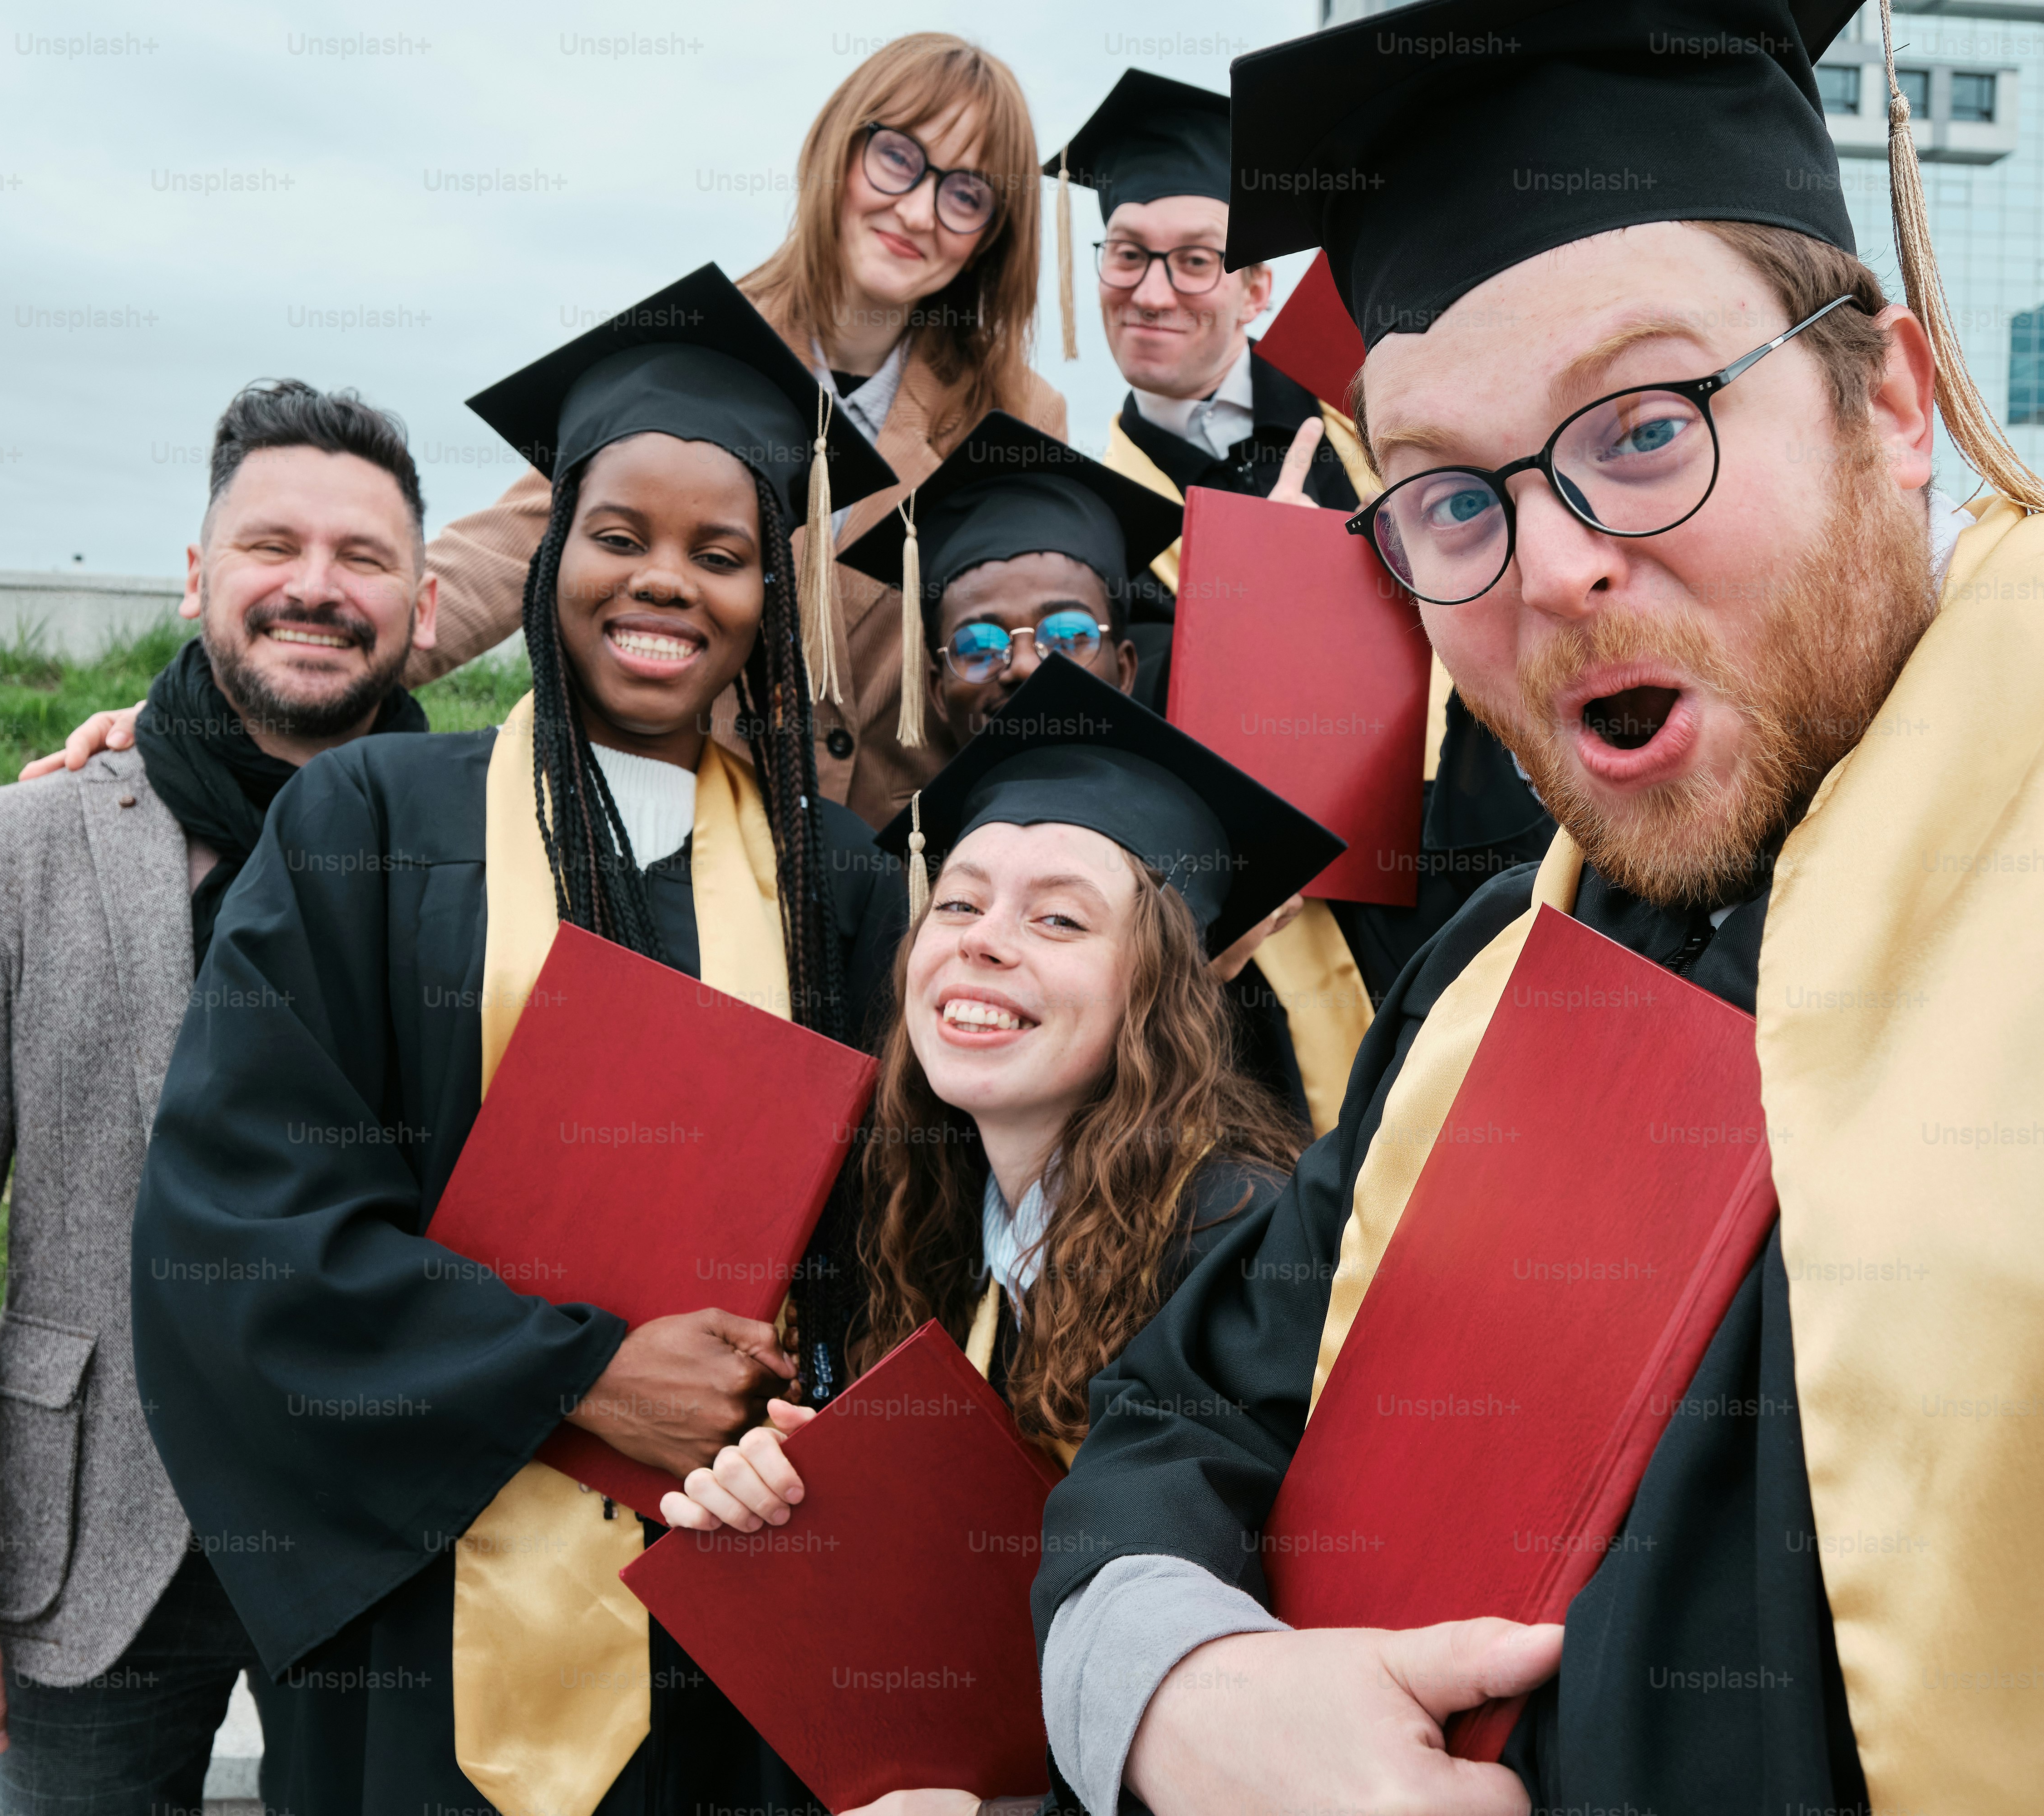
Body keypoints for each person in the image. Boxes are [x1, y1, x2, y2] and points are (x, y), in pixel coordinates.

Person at [1032, 2, 2044, 1814]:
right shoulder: (1490, 991)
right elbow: (1176, 1430)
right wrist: (1182, 1697)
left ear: (1892, 401)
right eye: (1450, 497)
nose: (1563, 563)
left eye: (1648, 425)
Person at [127, 267, 910, 1816]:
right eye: (618, 537)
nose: (665, 584)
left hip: (738, 1600)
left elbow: (904, 1237)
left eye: (723, 552)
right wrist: (574, 1377)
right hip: (429, 1613)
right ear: (553, 557)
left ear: (772, 597)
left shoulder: (841, 885)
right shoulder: (368, 828)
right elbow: (239, 1229)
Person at [0, 380, 437, 1814]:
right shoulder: (2, 855)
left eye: (363, 558)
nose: (314, 586)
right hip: (89, 1543)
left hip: (389, 1533)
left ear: (420, 601)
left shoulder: (485, 848)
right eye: (270, 545)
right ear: (197, 575)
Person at [29, 34, 1066, 824]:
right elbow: (502, 553)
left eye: (964, 191)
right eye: (898, 159)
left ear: (993, 232)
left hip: (901, 859)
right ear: (839, 156)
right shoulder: (688, 348)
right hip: (686, 834)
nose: (920, 208)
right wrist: (209, 702)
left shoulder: (1019, 416)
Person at [657, 656, 1337, 1816]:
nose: (980, 939)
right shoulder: (917, 1229)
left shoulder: (1247, 1254)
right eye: (958, 901)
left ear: (1158, 988)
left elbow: (1262, 1683)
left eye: (1059, 916)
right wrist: (806, 1522)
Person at [1044, 69, 1552, 1136]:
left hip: (1460, 860)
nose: (1154, 289)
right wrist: (1265, 596)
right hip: (1260, 943)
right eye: (1128, 254)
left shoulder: (1377, 423)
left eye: (1196, 259)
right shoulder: (1088, 521)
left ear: (1253, 288)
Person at [836, 408, 1342, 1132]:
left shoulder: (1202, 878)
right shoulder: (889, 899)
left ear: (1125, 667)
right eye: (976, 644)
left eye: (1067, 635)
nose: (1022, 666)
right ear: (934, 683)